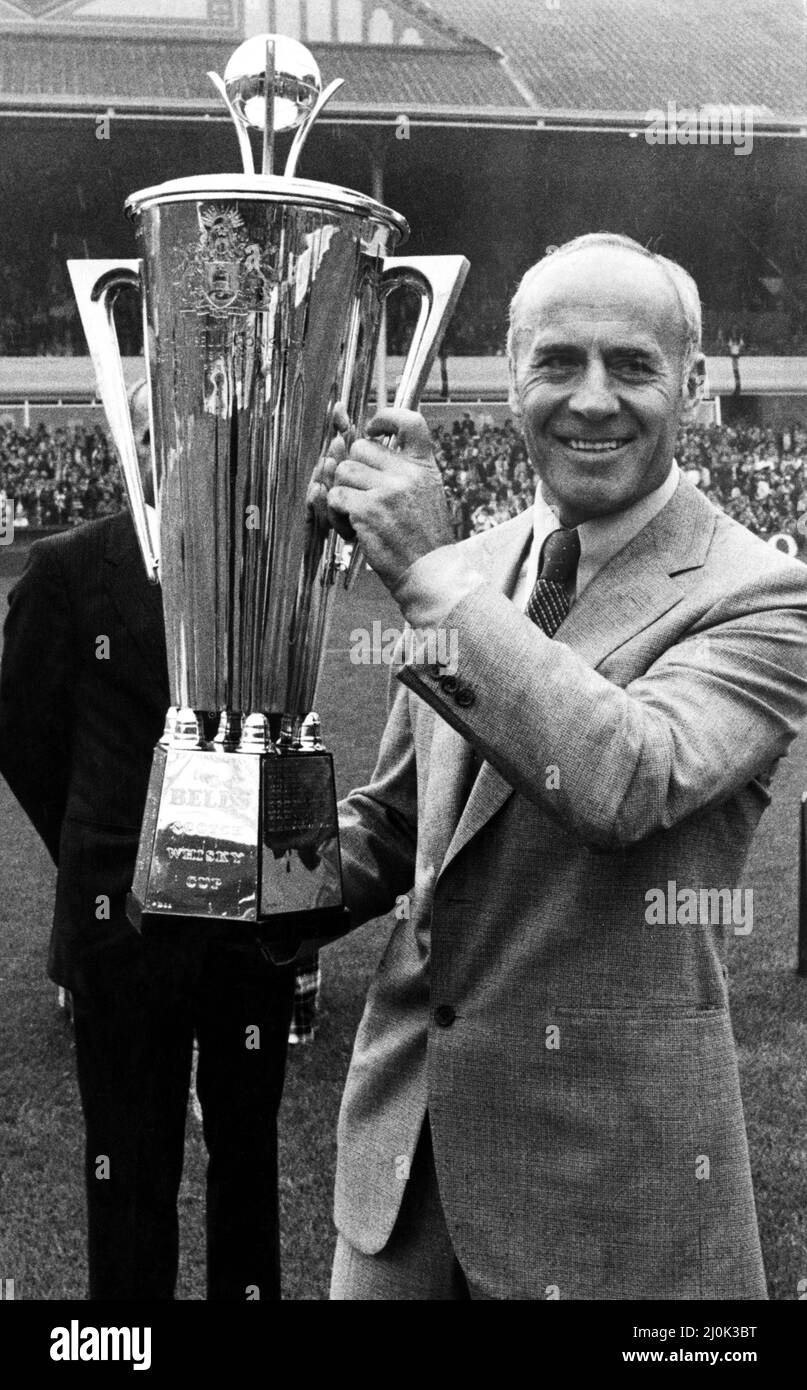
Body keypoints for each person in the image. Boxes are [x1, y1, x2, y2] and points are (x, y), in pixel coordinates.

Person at [320, 232, 807, 1300]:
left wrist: (432, 582)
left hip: (608, 1201)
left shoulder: (763, 593)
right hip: (403, 1183)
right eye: (558, 362)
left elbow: (623, 778)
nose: (592, 399)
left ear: (695, 381)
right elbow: (404, 829)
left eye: (631, 366)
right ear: (511, 376)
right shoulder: (483, 565)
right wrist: (257, 871)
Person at [0, 383, 297, 1300]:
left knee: (248, 1164)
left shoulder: (281, 560)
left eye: (226, 423)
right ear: (139, 436)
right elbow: (22, 736)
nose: (205, 440)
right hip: (122, 928)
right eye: (176, 420)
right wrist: (107, 855)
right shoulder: (70, 566)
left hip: (254, 923)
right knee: (128, 1173)